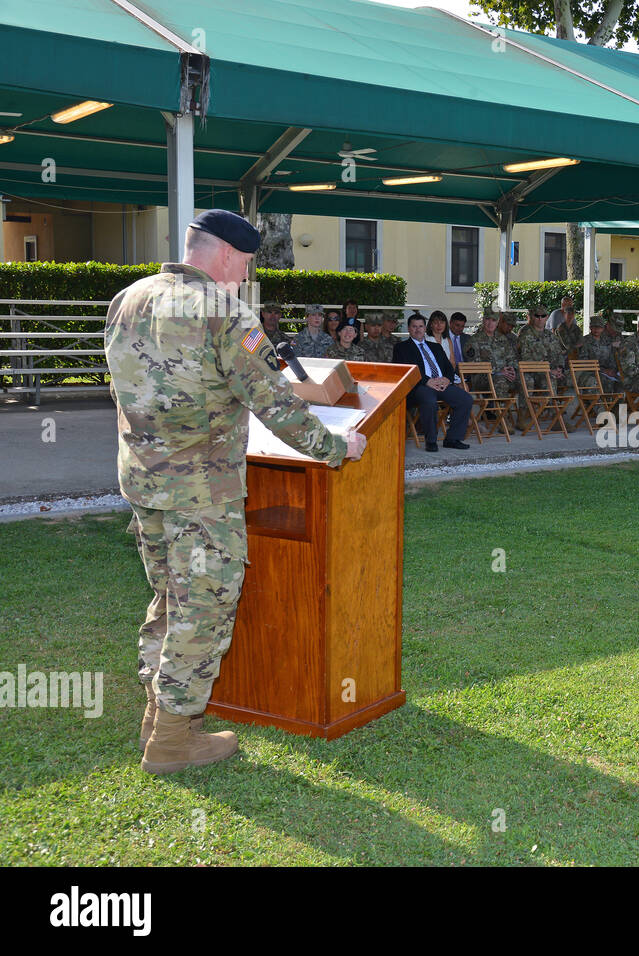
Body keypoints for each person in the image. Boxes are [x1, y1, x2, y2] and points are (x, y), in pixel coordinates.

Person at [105, 209, 364, 774]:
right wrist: (339, 448)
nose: (245, 275)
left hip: (144, 484)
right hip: (203, 494)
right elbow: (276, 404)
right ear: (225, 254)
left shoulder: (129, 299)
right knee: (204, 610)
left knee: (170, 599)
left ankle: (157, 719)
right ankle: (175, 742)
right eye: (245, 264)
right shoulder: (227, 313)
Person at [393, 314, 472, 451]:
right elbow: (405, 371)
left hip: (441, 383)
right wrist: (427, 381)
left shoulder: (435, 347)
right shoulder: (402, 347)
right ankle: (431, 441)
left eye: (421, 326)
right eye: (414, 326)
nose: (418, 330)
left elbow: (448, 367)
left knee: (465, 399)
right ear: (409, 328)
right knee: (429, 401)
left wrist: (447, 379)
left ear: (425, 328)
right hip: (420, 386)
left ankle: (452, 438)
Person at [464, 308, 520, 403]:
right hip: (482, 378)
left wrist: (512, 370)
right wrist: (498, 371)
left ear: (498, 322)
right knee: (500, 381)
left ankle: (526, 415)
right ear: (483, 320)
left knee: (525, 380)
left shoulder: (502, 339)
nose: (490, 323)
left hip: (504, 375)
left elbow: (512, 358)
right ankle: (501, 415)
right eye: (487, 319)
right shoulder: (473, 341)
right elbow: (474, 365)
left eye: (494, 320)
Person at [517, 306, 569, 393]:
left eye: (543, 316)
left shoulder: (551, 336)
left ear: (547, 317)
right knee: (549, 380)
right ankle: (548, 406)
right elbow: (525, 359)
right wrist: (549, 370)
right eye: (537, 316)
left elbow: (559, 354)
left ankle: (556, 404)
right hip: (533, 372)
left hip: (552, 371)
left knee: (575, 378)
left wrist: (559, 368)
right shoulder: (525, 336)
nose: (540, 319)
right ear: (532, 317)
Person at [577, 311, 621, 392]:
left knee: (621, 383)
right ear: (590, 327)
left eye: (599, 327)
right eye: (594, 327)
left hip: (607, 372)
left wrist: (613, 370)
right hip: (591, 372)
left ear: (603, 328)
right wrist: (603, 371)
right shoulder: (585, 341)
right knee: (605, 382)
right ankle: (603, 404)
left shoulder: (607, 341)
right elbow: (584, 362)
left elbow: (611, 358)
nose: (596, 329)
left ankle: (618, 404)